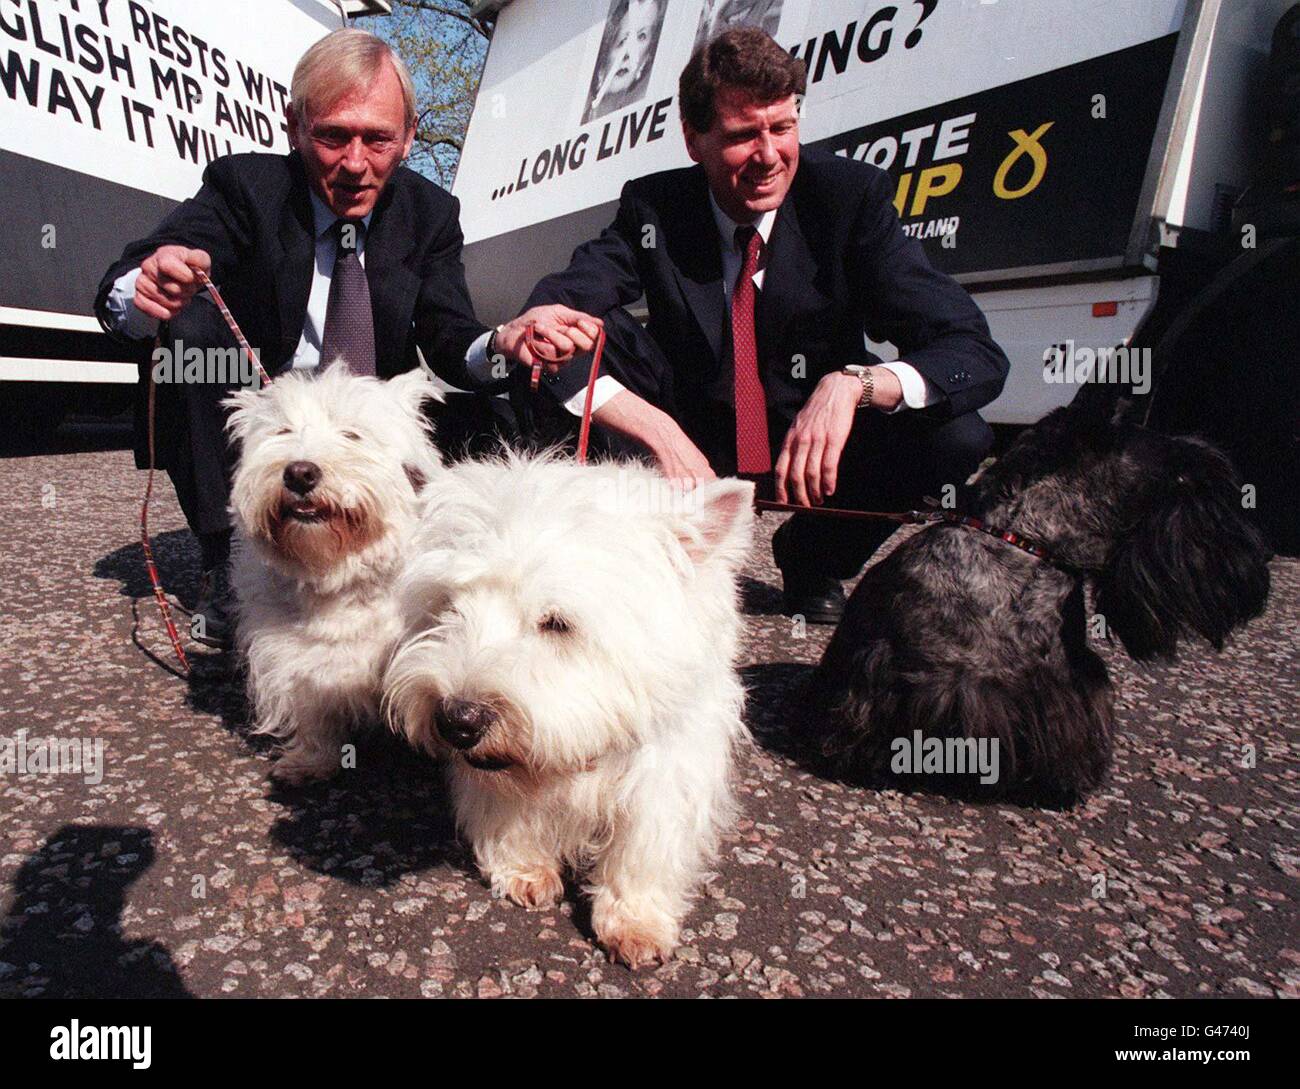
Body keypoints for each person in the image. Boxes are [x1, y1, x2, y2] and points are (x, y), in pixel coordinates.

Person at [95, 29, 598, 648]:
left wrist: (503, 342)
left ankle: (459, 571)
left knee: (490, 407)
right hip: (269, 402)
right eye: (333, 136)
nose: (355, 164)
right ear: (295, 127)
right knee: (191, 331)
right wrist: (147, 288)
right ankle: (225, 558)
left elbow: (449, 336)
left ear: (410, 135)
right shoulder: (243, 188)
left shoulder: (431, 213)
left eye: (378, 139)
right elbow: (129, 277)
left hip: (369, 413)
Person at [523, 27, 1009, 623]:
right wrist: (657, 430)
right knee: (589, 338)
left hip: (809, 442)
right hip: (691, 435)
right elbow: (558, 307)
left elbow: (972, 350)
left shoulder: (848, 198)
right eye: (742, 135)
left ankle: (811, 554)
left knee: (958, 433)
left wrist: (854, 384)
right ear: (694, 140)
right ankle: (611, 560)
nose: (769, 156)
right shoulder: (654, 207)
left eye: (782, 128)